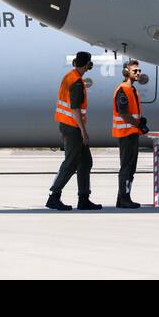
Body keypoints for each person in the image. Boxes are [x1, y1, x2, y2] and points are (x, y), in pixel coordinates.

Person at [47, 52, 101, 210]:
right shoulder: (76, 81)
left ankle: (84, 199)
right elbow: (75, 109)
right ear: (87, 65)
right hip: (73, 127)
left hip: (68, 125)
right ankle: (54, 196)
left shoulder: (69, 76)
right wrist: (83, 131)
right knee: (71, 163)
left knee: (85, 162)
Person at [112, 59, 150, 208]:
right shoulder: (123, 90)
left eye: (139, 71)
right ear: (126, 72)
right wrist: (139, 124)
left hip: (132, 132)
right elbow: (124, 114)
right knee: (127, 167)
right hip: (126, 133)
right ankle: (124, 199)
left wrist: (140, 120)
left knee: (130, 167)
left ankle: (121, 199)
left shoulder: (132, 89)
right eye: (135, 71)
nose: (138, 73)